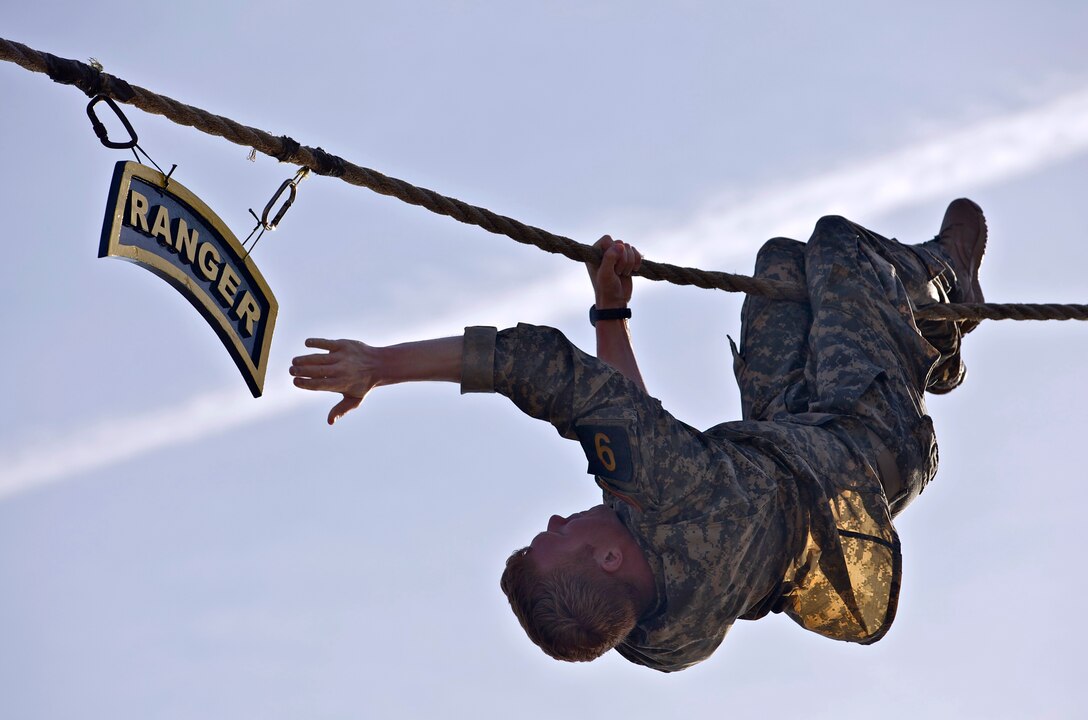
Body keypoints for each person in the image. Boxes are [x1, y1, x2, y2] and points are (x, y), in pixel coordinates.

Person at [290, 199, 987, 672]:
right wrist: (381, 365)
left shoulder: (656, 639)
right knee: (834, 244)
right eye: (552, 536)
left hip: (791, 439)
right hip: (869, 432)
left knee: (781, 263)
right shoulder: (665, 496)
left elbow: (634, 425)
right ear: (609, 560)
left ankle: (903, 321)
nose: (557, 517)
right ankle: (947, 293)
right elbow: (535, 364)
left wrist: (610, 313)